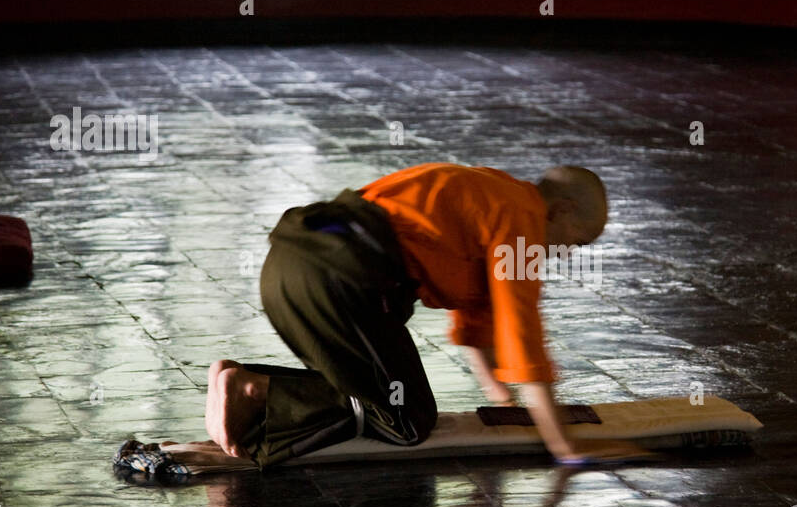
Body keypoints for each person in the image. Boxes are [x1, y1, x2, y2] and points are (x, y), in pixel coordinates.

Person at [204, 162, 650, 468]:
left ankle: (241, 380)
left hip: (294, 260)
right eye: (577, 240)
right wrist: (564, 444)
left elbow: (478, 323)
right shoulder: (524, 223)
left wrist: (500, 400)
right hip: (340, 276)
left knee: (378, 391)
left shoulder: (497, 193)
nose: (568, 253)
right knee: (406, 418)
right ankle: (256, 390)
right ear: (563, 210)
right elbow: (523, 333)